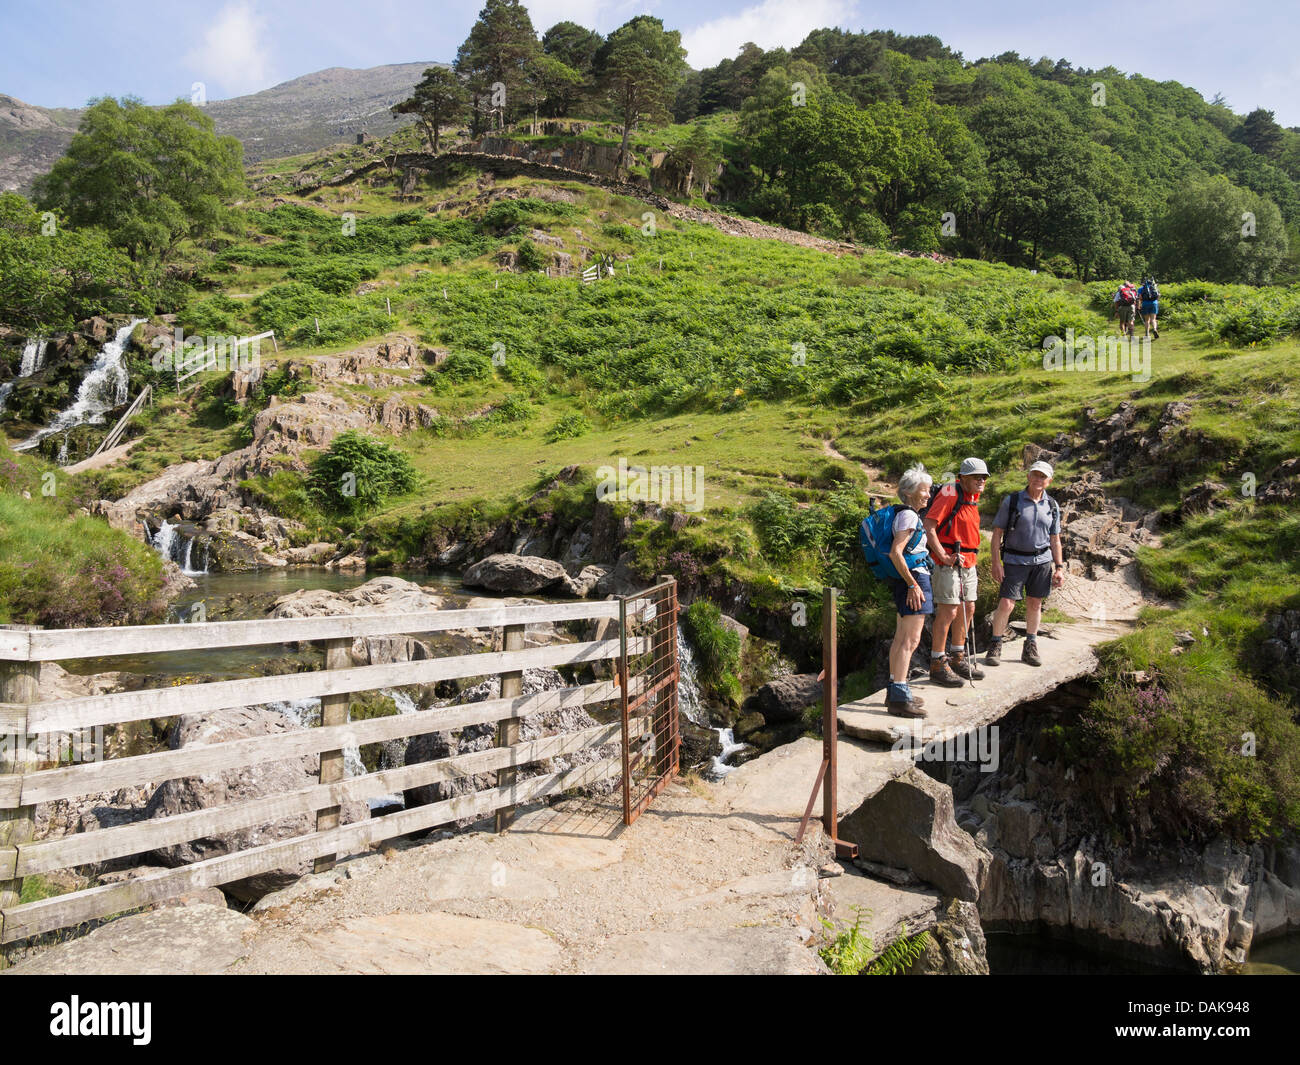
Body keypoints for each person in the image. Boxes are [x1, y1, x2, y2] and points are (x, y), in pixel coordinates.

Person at [985, 460, 1064, 667]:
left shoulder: (1052, 505)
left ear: (1049, 481)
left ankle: (1030, 644)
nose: (1038, 479)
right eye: (1035, 475)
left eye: (1043, 477)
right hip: (1014, 560)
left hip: (1042, 561)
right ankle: (995, 643)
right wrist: (996, 562)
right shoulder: (1012, 501)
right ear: (1028, 476)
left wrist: (1059, 567)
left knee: (1035, 603)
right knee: (1006, 603)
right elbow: (997, 534)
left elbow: (1055, 538)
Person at [923, 457, 989, 687]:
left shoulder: (972, 497)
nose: (982, 480)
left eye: (984, 477)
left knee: (968, 607)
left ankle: (958, 656)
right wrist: (943, 556)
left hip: (968, 561)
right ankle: (937, 663)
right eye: (976, 477)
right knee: (948, 610)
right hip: (948, 563)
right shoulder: (950, 493)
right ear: (962, 477)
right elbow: (929, 527)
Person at [883, 464, 935, 716]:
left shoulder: (903, 514)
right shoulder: (910, 516)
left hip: (906, 580)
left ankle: (894, 691)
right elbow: (896, 552)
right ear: (911, 492)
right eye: (924, 491)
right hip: (913, 579)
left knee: (900, 638)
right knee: (910, 640)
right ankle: (900, 699)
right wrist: (913, 585)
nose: (928, 495)